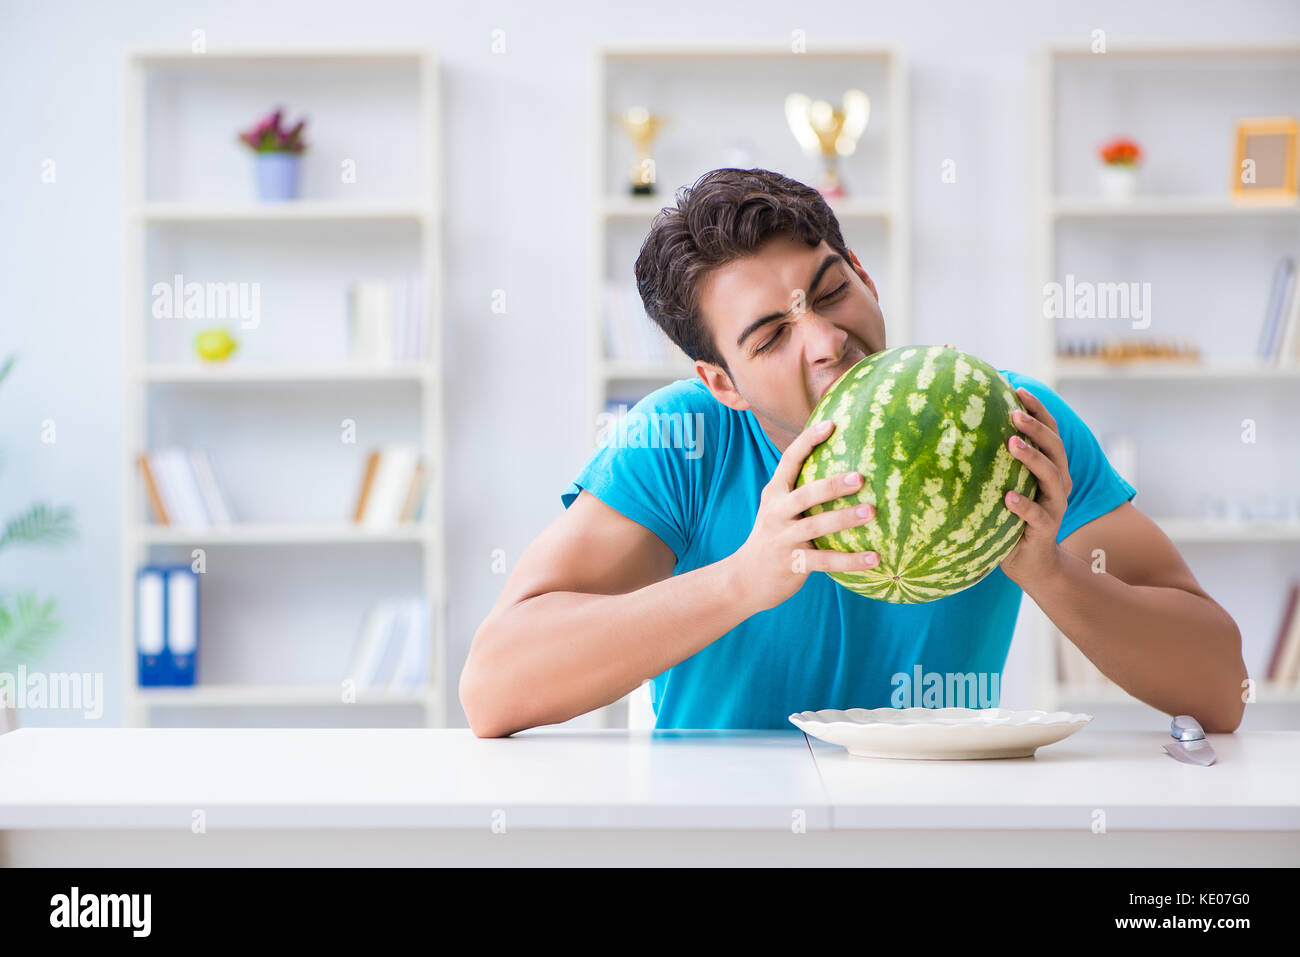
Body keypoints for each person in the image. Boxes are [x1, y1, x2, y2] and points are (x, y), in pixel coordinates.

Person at [460, 167, 1246, 736]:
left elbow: (1219, 690)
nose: (829, 341)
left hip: (928, 835)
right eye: (771, 336)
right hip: (718, 837)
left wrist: (1050, 569)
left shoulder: (1010, 422)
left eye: (832, 292)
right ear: (722, 381)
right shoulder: (681, 441)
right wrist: (741, 579)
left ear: (864, 276)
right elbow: (494, 686)